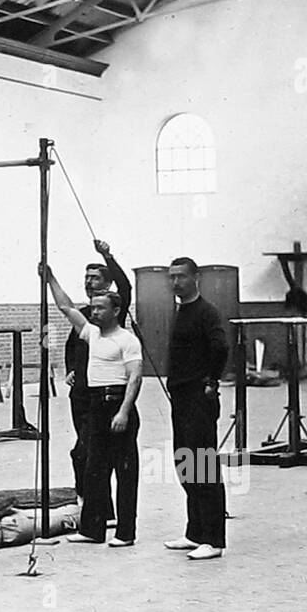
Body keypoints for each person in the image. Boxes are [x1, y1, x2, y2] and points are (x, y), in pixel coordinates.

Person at [45, 265, 143, 547]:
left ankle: (125, 533)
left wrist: (124, 412)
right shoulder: (91, 333)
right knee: (94, 469)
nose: (94, 312)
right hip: (96, 406)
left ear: (115, 311)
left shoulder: (127, 340)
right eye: (93, 308)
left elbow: (135, 378)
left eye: (100, 308)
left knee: (125, 472)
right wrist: (50, 278)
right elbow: (65, 307)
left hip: (118, 404)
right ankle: (92, 529)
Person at [164, 257, 230, 560]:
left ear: (196, 278)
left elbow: (221, 347)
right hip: (180, 397)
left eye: (181, 276)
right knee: (185, 463)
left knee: (203, 464)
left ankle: (214, 540)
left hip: (198, 398)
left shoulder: (207, 312)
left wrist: (211, 381)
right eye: (172, 277)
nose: (176, 282)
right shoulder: (181, 311)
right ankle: (195, 533)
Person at [63, 239, 133, 517]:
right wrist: (70, 368)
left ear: (107, 283)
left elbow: (126, 288)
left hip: (103, 392)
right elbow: (72, 345)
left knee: (89, 453)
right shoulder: (83, 315)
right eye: (87, 278)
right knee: (84, 453)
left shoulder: (114, 311)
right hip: (80, 392)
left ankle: (99, 509)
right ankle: (95, 507)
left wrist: (107, 256)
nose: (89, 282)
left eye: (95, 278)